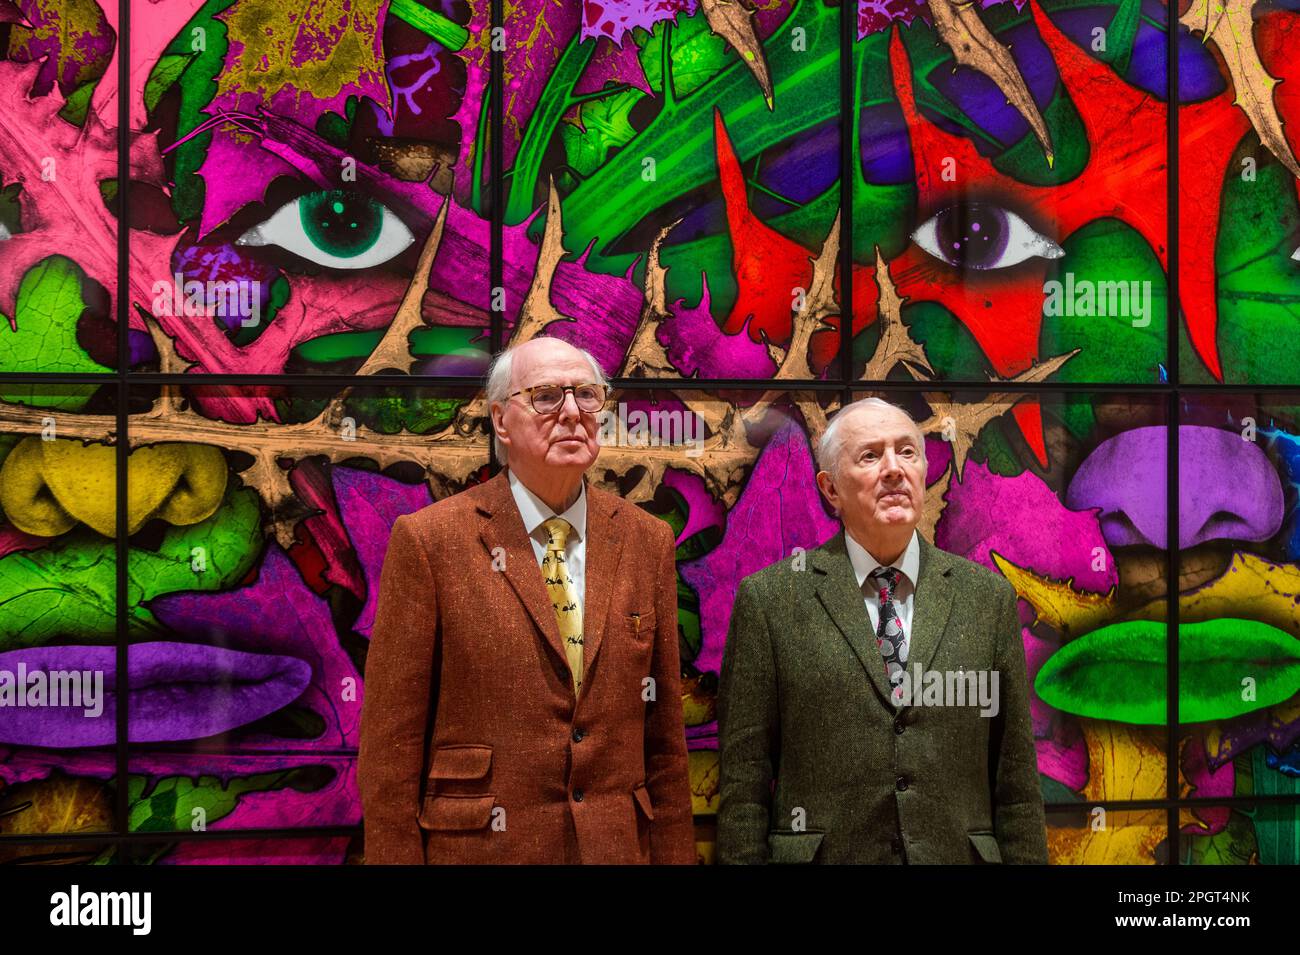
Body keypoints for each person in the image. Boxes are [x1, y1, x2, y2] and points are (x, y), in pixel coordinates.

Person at [358, 337, 695, 864]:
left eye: (587, 395)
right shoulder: (432, 541)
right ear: (500, 420)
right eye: (545, 397)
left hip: (614, 847)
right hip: (483, 848)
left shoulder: (645, 539)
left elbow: (665, 742)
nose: (571, 413)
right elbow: (390, 748)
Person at [716, 397, 1048, 863]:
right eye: (870, 455)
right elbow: (744, 784)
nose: (894, 469)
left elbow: (1015, 781)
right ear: (830, 489)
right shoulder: (771, 600)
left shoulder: (986, 598)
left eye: (907, 452)